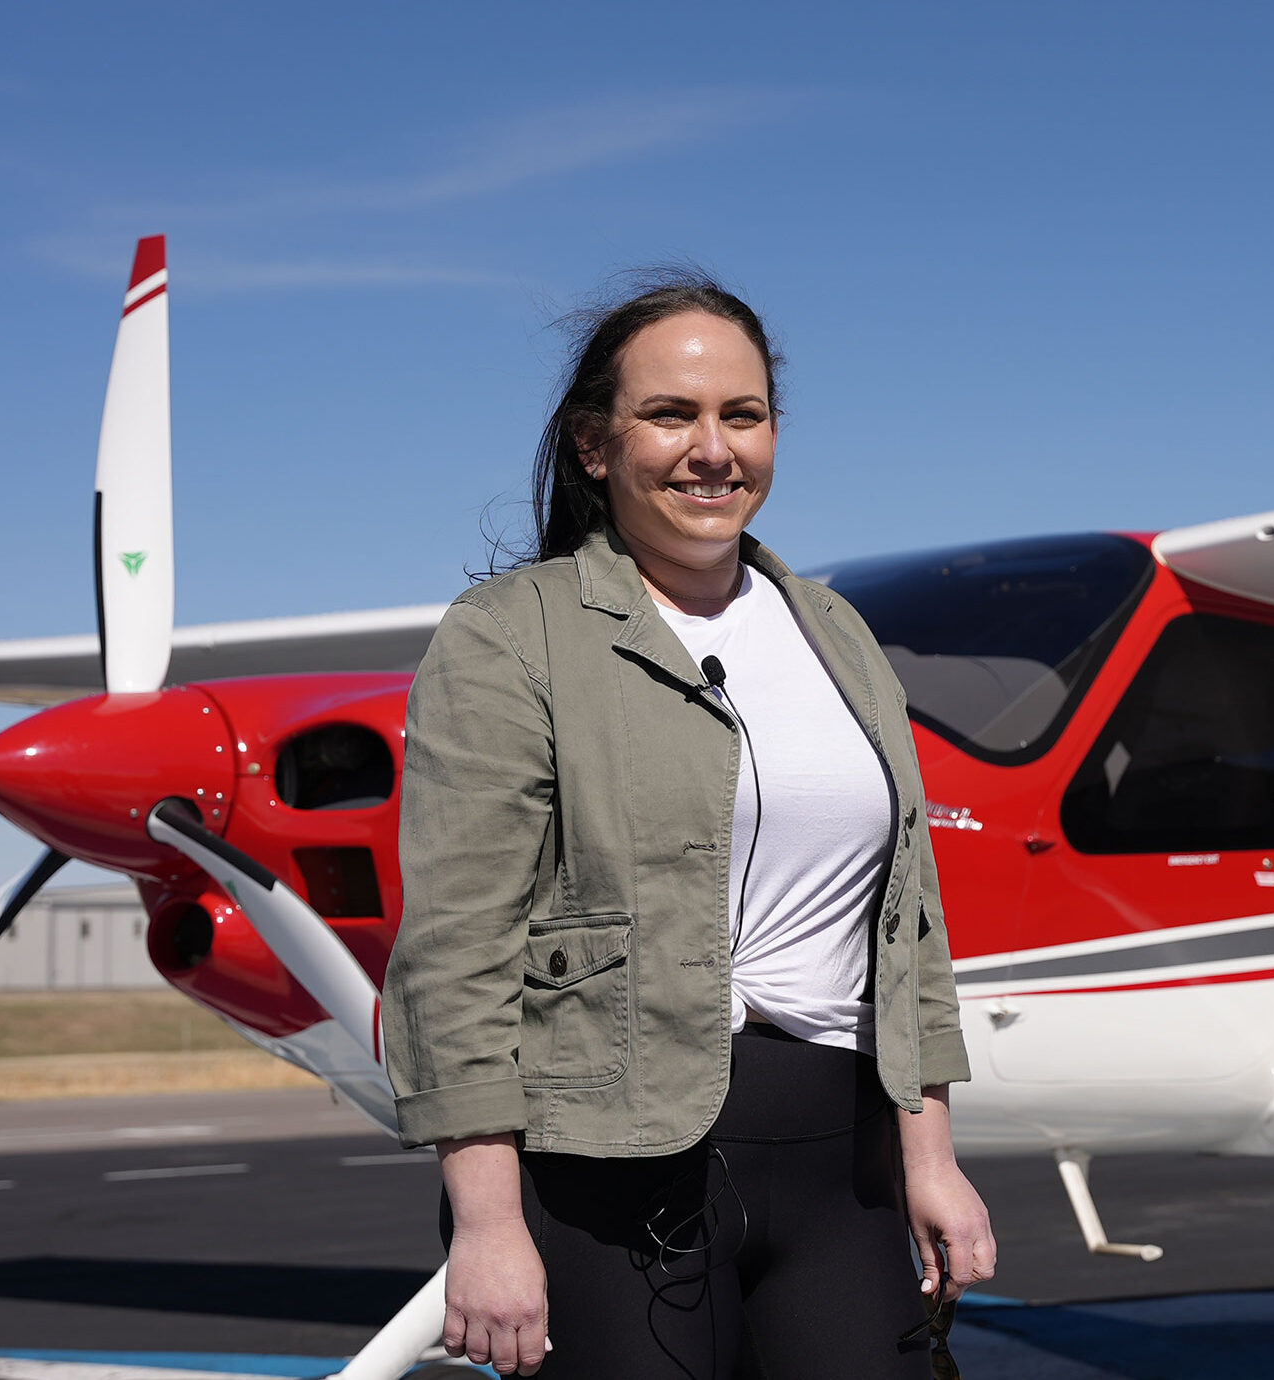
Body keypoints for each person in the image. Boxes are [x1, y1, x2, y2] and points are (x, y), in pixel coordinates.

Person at [382, 273, 994, 1380]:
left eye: (741, 416)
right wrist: (486, 1222)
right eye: (671, 415)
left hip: (841, 1165)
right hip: (605, 1173)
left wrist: (931, 1156)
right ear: (593, 445)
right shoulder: (508, 635)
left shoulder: (838, 633)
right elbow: (454, 954)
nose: (713, 451)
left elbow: (909, 922)